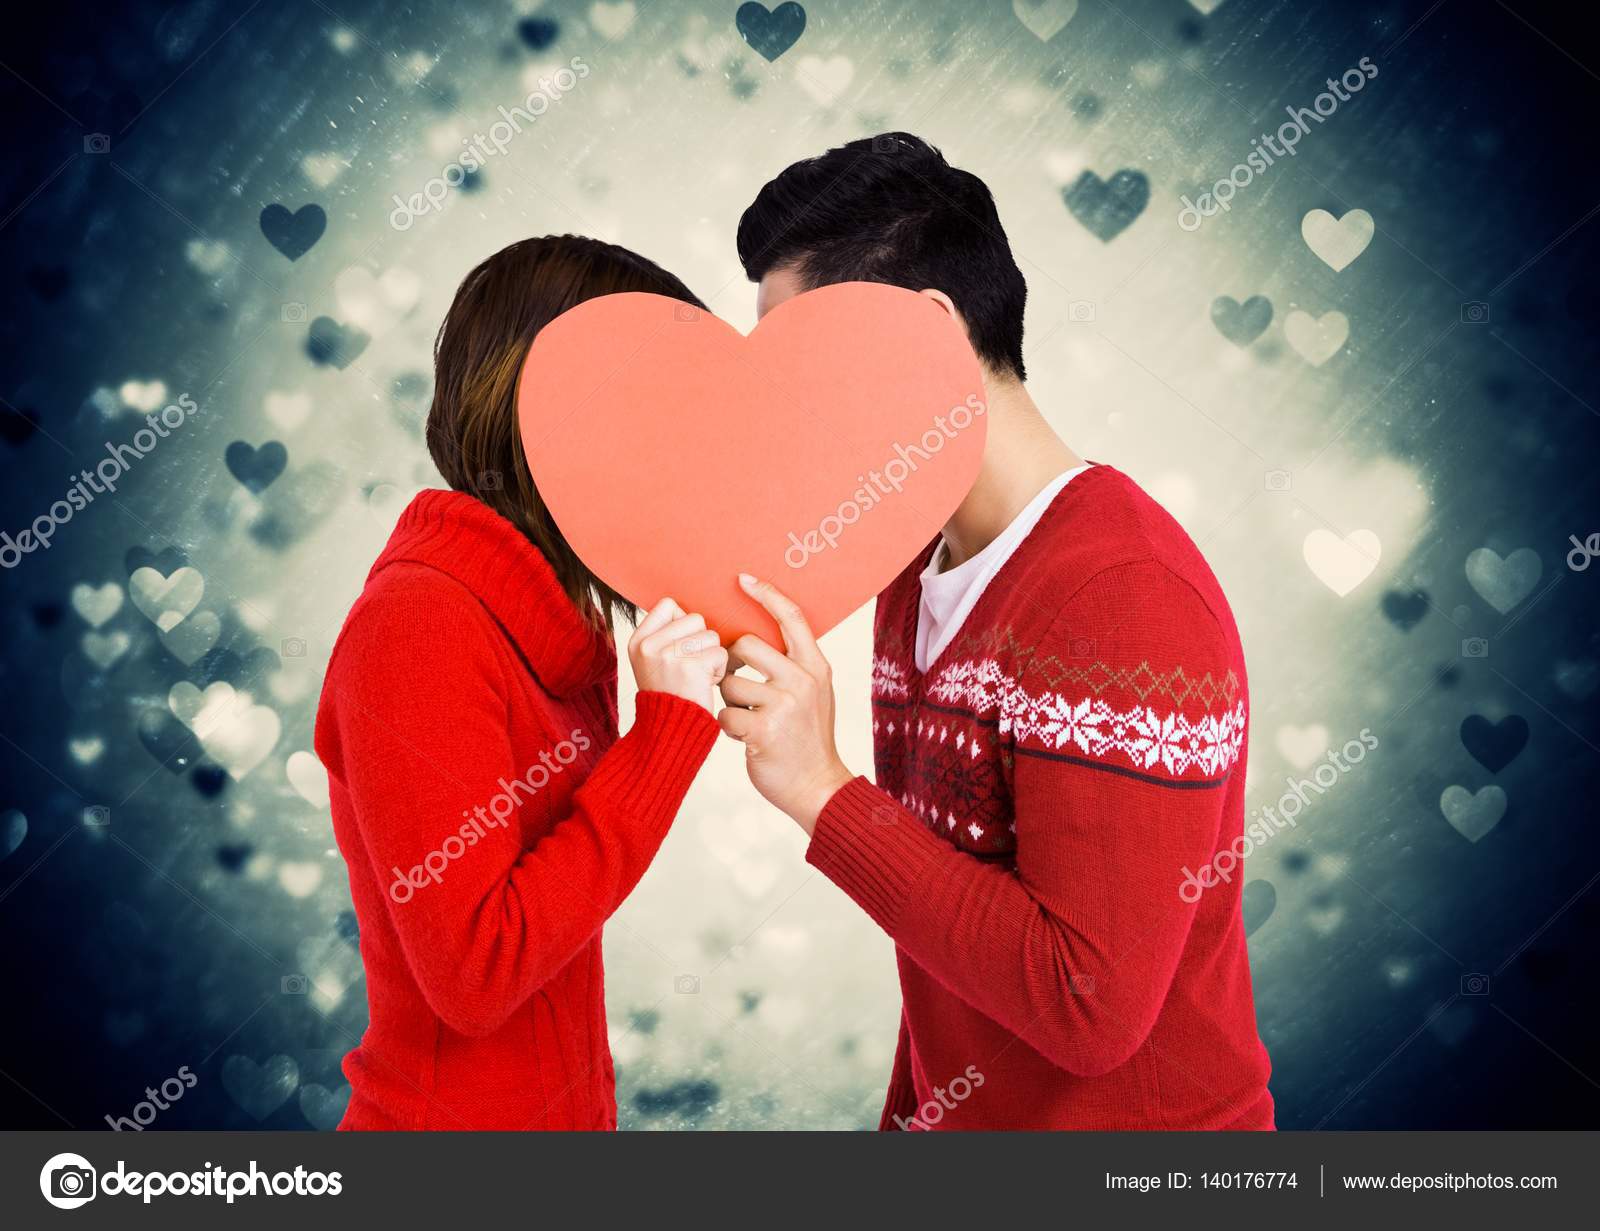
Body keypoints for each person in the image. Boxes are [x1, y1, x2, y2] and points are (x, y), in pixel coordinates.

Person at [718, 134, 1274, 1129]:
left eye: (801, 359)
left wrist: (817, 788)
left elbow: (1086, 1006)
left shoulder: (1119, 595)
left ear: (925, 333)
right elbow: (952, 955)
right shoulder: (912, 568)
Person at [315, 236, 728, 1130]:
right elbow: (476, 976)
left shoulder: (558, 627)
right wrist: (660, 741)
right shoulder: (420, 625)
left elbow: (554, 927)